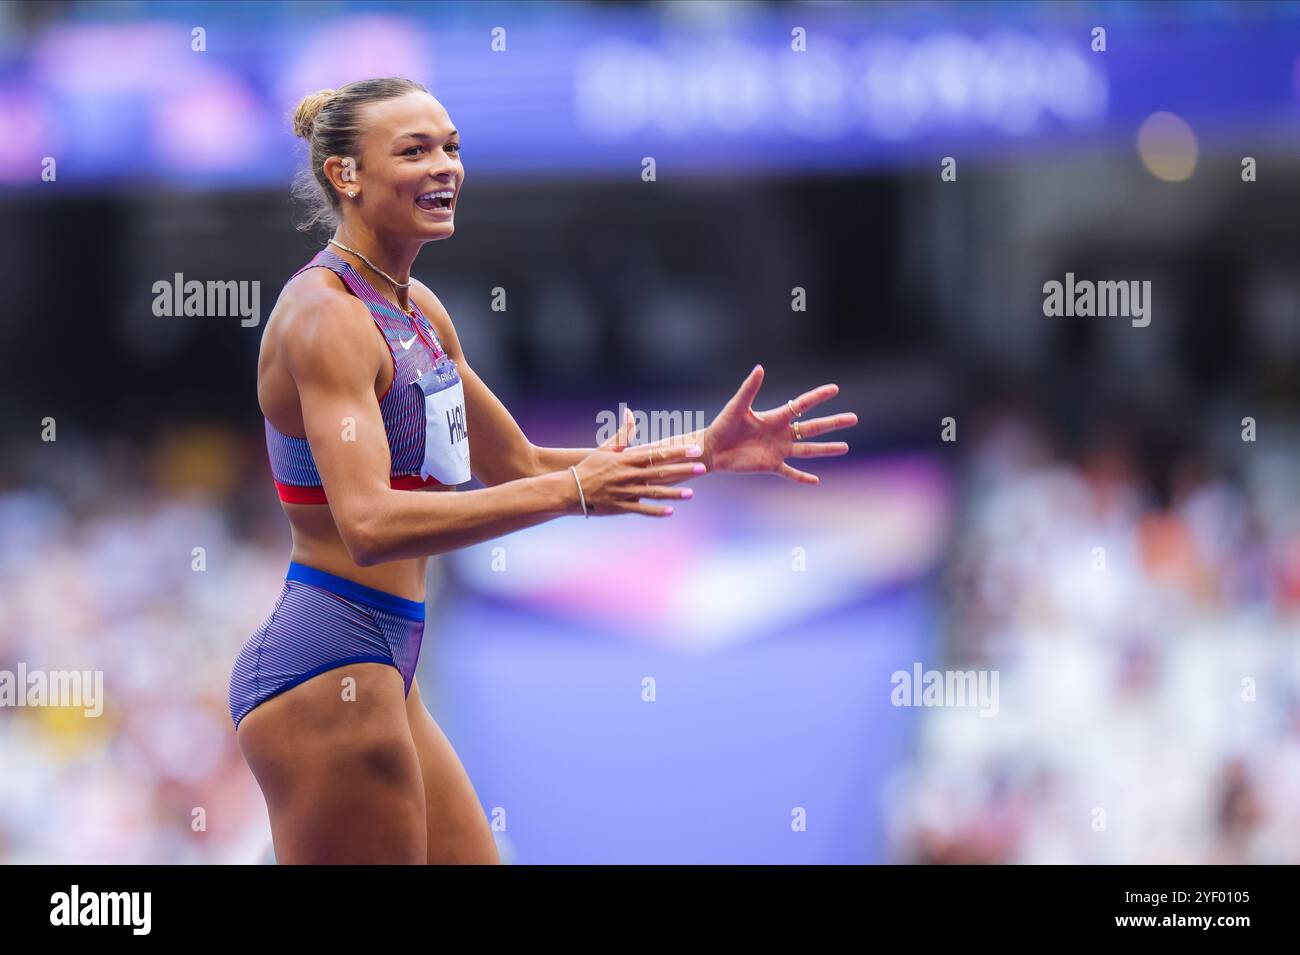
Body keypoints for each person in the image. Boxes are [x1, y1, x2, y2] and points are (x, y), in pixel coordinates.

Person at [228, 77, 857, 863]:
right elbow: (369, 525)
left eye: (452, 147)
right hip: (327, 661)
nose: (445, 167)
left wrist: (702, 449)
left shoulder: (417, 309)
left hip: (386, 662)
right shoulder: (324, 316)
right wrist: (573, 494)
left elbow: (517, 462)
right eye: (414, 150)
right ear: (345, 176)